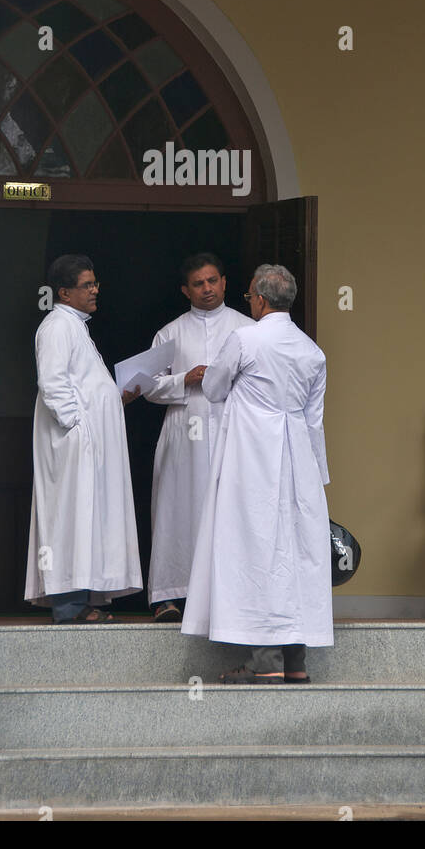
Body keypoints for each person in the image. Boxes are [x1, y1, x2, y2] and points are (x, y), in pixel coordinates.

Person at [181, 263, 333, 682]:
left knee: (258, 548)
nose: (249, 301)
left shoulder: (245, 338)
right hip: (299, 459)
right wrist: (318, 480)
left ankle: (265, 664)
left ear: (261, 300)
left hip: (253, 458)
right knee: (297, 554)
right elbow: (315, 420)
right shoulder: (312, 351)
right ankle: (296, 663)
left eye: (249, 296)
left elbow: (213, 389)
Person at [24, 253, 142, 622]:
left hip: (86, 443)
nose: (94, 291)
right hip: (74, 443)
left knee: (86, 519)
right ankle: (70, 606)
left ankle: (82, 600)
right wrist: (78, 426)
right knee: (70, 518)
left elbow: (83, 383)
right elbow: (53, 382)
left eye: (95, 284)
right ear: (64, 292)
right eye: (86, 285)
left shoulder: (76, 325)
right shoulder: (58, 326)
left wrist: (112, 398)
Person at [143, 253, 252, 622]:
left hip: (228, 432)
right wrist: (183, 379)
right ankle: (169, 597)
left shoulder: (245, 329)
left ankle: (225, 596)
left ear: (224, 282)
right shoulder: (170, 333)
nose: (207, 289)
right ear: (185, 290)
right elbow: (148, 386)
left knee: (227, 513)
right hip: (182, 434)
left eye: (212, 281)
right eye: (198, 284)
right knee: (177, 510)